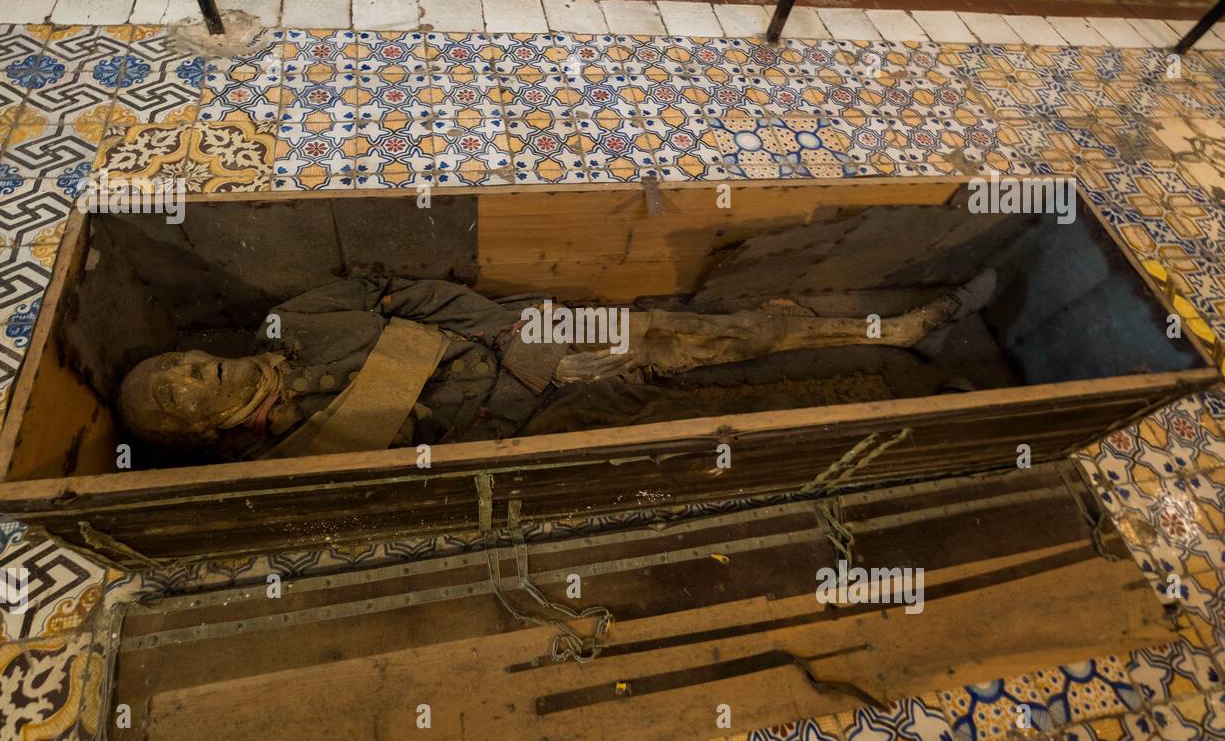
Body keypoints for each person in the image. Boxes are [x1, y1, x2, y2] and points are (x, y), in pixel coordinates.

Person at [118, 270, 996, 459]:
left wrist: (510, 329)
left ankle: (896, 332)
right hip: (533, 427)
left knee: (708, 337)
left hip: (536, 343)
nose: (194, 370)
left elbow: (409, 295)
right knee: (712, 424)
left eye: (181, 361)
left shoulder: (298, 319)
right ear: (190, 430)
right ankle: (908, 398)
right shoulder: (293, 456)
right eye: (176, 391)